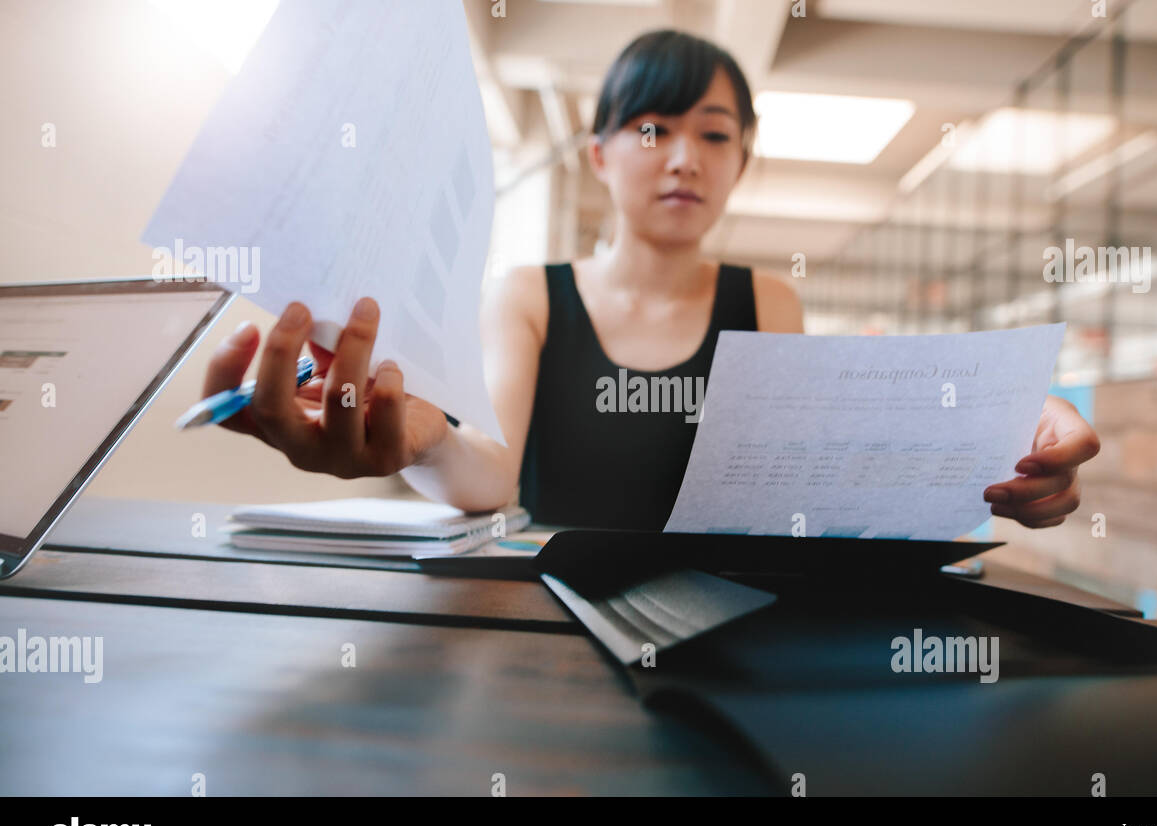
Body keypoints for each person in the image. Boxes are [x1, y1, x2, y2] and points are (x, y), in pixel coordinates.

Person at [201, 29, 1099, 531]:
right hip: (542, 625)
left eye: (713, 134)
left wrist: (994, 440)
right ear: (598, 155)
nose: (682, 158)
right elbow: (492, 476)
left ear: (743, 160)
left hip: (715, 630)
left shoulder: (766, 301)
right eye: (651, 130)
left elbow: (798, 485)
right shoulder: (530, 295)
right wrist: (429, 440)